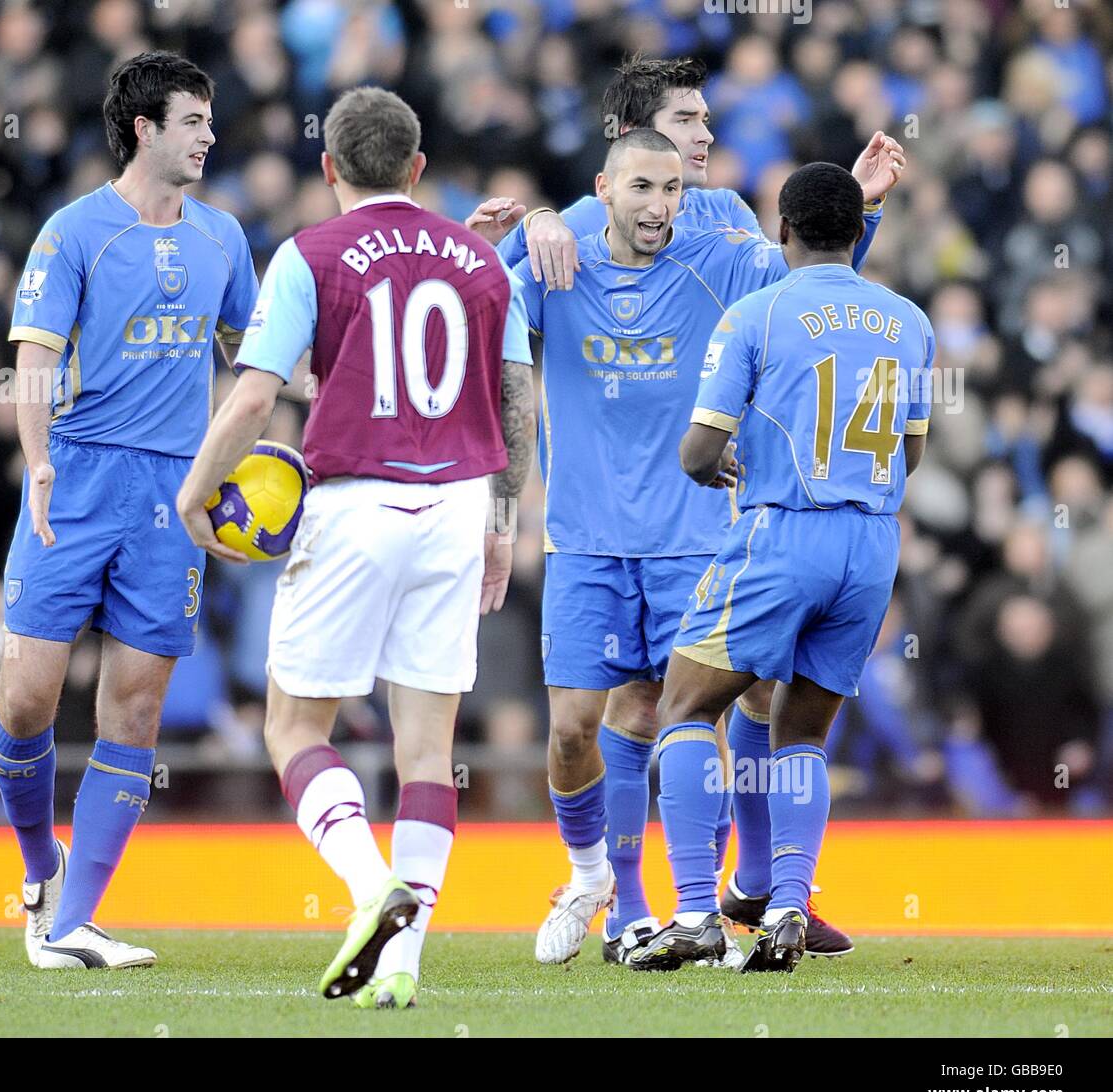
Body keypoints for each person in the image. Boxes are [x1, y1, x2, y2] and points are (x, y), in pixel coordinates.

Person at [469, 55, 901, 962]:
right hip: (586, 531)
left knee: (695, 710)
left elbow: (808, 299)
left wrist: (855, 213)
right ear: (629, 146)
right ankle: (610, 882)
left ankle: (721, 900)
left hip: (700, 530)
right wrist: (499, 234)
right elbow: (478, 318)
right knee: (576, 730)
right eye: (687, 120)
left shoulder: (728, 233)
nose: (707, 135)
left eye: (704, 125)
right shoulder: (564, 238)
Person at [176, 86, 536, 1009]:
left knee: (295, 727)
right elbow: (515, 400)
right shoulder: (483, 264)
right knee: (428, 752)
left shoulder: (309, 253)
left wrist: (195, 493)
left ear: (328, 166)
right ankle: (405, 968)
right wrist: (502, 522)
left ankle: (368, 887)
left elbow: (257, 399)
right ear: (417, 167)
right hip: (457, 505)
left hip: (355, 497)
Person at [0, 52, 258, 969]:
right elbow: (34, 354)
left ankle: (72, 926)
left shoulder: (224, 237)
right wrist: (35, 462)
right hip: (75, 477)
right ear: (145, 128)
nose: (209, 136)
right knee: (26, 700)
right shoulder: (75, 232)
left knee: (135, 712)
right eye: (194, 121)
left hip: (170, 493)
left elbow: (260, 358)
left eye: (211, 121)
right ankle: (41, 870)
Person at [660, 162, 934, 971]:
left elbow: (698, 452)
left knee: (682, 707)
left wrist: (718, 466)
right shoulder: (909, 320)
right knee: (802, 732)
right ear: (857, 232)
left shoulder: (758, 312)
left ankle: (692, 911)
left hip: (784, 534)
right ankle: (785, 904)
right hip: (873, 545)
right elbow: (912, 452)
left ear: (782, 230)